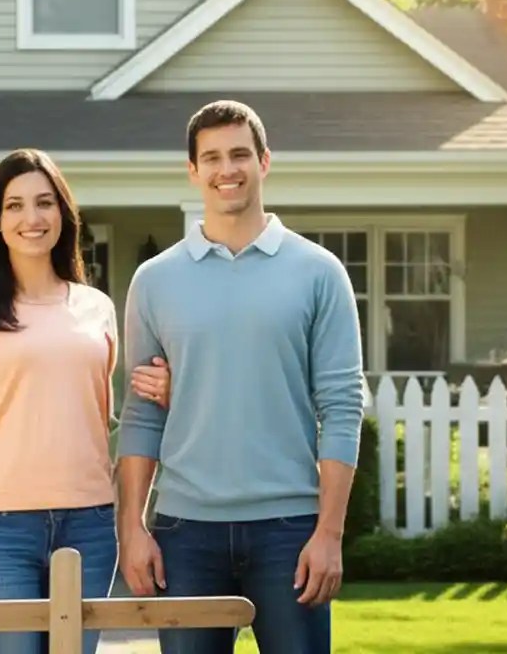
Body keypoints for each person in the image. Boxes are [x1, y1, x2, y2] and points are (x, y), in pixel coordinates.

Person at [115, 100, 365, 654]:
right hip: (185, 532)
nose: (226, 169)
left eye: (239, 154)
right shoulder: (155, 281)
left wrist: (328, 533)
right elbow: (140, 414)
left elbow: (342, 407)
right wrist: (131, 528)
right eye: (211, 158)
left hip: (289, 529)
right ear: (192, 170)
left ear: (264, 161)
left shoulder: (319, 272)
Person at [0, 148, 171, 654]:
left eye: (44, 203)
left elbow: (101, 416)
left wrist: (169, 391)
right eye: (14, 205)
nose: (31, 218)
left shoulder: (98, 308)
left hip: (89, 523)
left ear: (64, 214)